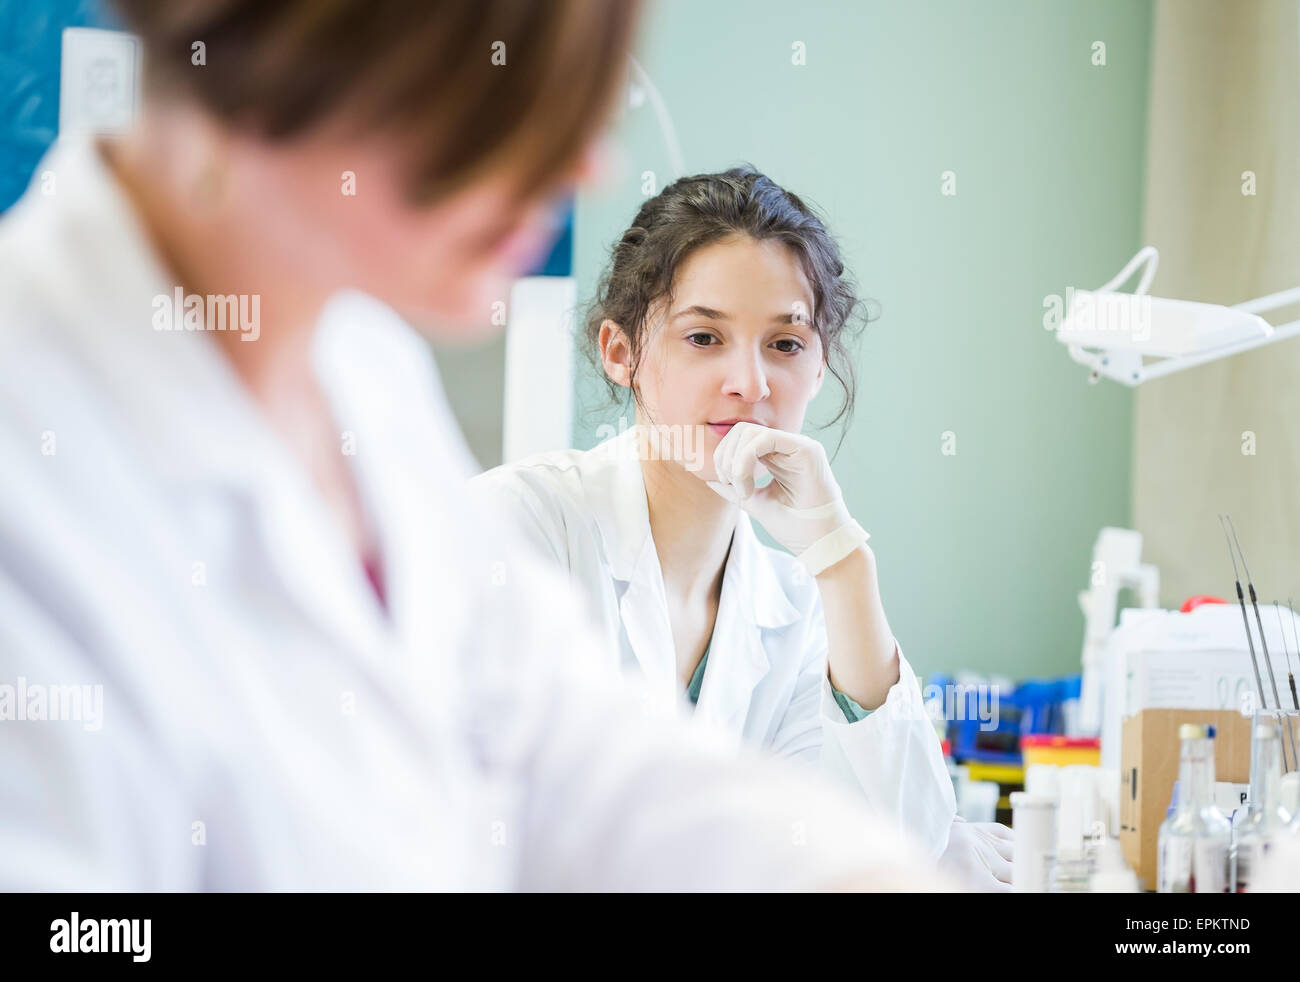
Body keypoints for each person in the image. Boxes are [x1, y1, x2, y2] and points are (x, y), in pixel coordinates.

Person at [0, 1, 946, 890]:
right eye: (516, 98)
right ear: (309, 52)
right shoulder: (35, 454)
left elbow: (566, 753)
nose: (585, 167)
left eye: (785, 342)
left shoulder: (361, 366)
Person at [473, 167, 1012, 887]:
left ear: (819, 368)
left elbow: (905, 838)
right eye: (703, 337)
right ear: (620, 352)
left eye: (785, 344)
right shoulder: (520, 529)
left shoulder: (799, 606)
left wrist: (844, 563)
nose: (750, 383)